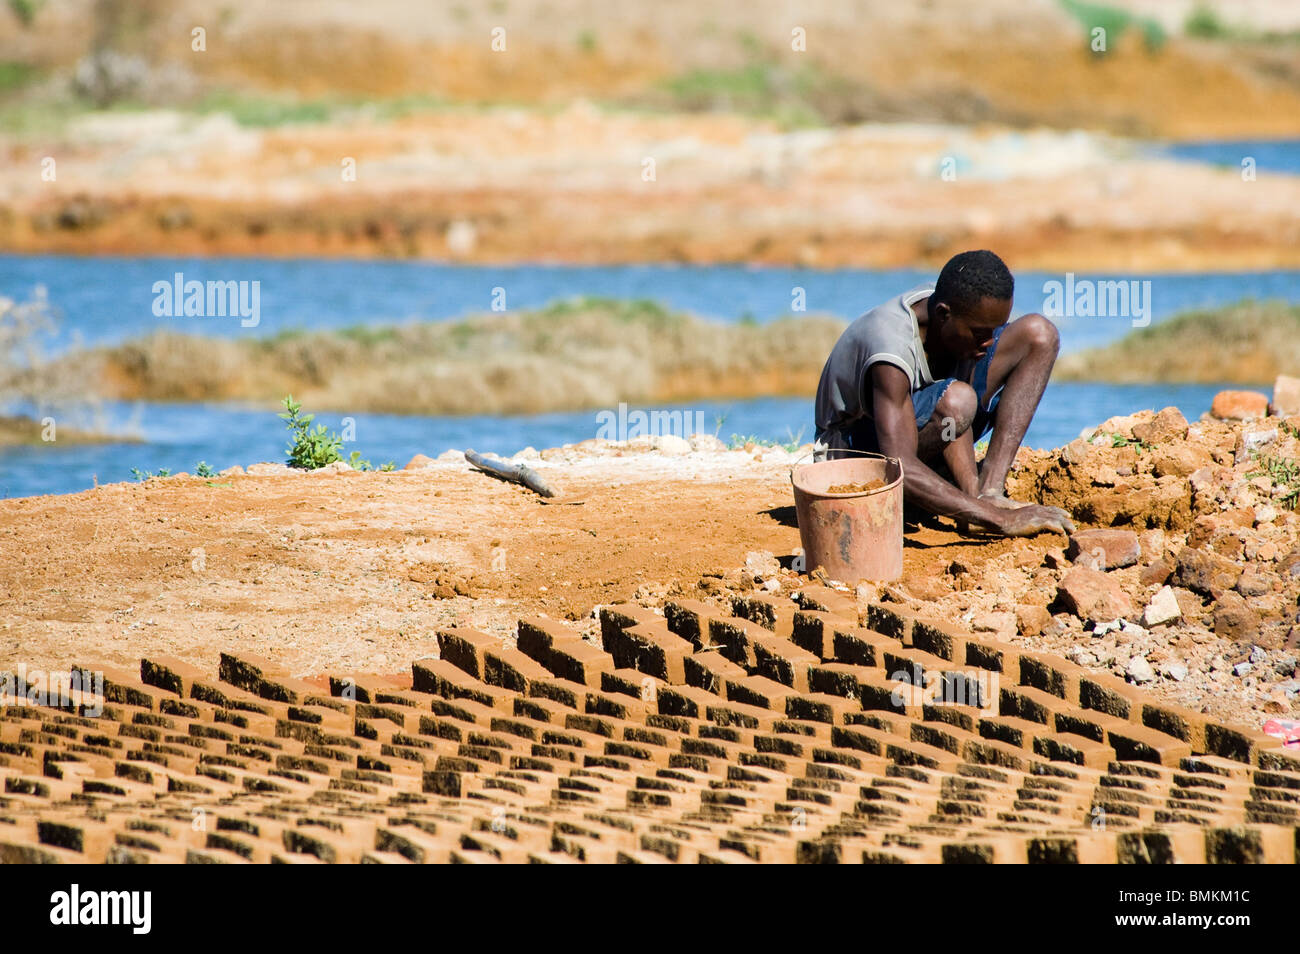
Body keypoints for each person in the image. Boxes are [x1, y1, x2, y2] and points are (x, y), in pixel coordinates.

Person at [813, 249, 1075, 537]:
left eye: (996, 330)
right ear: (943, 315)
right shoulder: (889, 345)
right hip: (858, 453)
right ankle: (981, 509)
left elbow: (951, 390)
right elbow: (899, 465)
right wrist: (1001, 520)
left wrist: (988, 505)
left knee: (1040, 334)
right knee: (957, 400)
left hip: (935, 421)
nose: (989, 342)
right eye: (979, 333)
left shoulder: (952, 312)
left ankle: (988, 492)